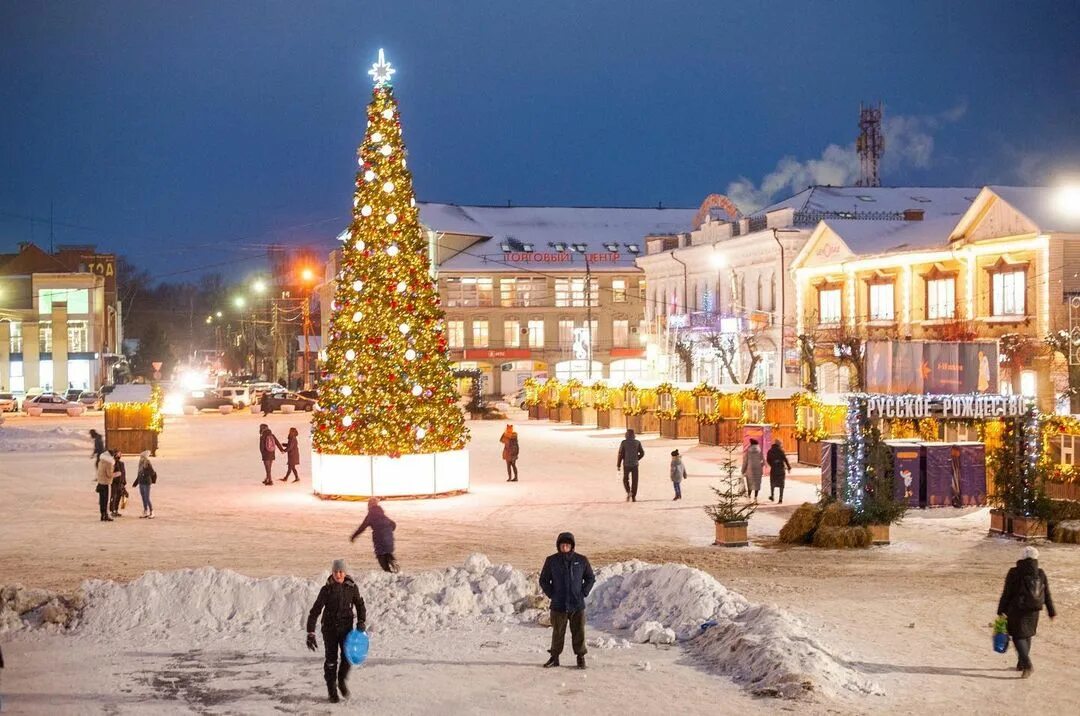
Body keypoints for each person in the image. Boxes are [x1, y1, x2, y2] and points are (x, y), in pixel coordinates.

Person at [307, 559, 366, 703]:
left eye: (341, 571)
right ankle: (331, 689)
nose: (338, 574)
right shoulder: (326, 590)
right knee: (331, 660)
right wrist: (310, 632)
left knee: (347, 658)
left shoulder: (352, 588)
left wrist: (361, 621)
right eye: (335, 572)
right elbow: (315, 612)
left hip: (346, 629)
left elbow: (360, 604)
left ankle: (341, 680)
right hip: (330, 630)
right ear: (332, 572)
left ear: (345, 573)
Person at [997, 545, 1056, 678]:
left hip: (1016, 609)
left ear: (1021, 557)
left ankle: (1027, 665)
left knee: (1018, 637)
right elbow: (1046, 593)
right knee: (1027, 635)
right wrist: (1051, 611)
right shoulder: (1041, 573)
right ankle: (1021, 663)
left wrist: (1001, 610)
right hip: (1034, 610)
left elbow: (1007, 593)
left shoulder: (1014, 572)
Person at [539, 532, 595, 669]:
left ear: (572, 546)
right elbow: (544, 580)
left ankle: (580, 658)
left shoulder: (581, 560)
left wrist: (583, 592)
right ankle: (554, 657)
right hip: (559, 605)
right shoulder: (551, 560)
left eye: (567, 545)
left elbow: (590, 578)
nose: (565, 547)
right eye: (562, 545)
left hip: (577, 604)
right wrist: (553, 594)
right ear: (558, 546)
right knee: (558, 633)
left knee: (579, 632)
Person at [350, 497, 399, 573]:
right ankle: (392, 560)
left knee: (380, 555)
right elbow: (393, 524)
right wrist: (388, 531)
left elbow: (362, 527)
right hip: (389, 537)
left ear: (370, 506)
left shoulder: (370, 515)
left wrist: (354, 536)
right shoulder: (383, 515)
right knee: (387, 552)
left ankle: (388, 572)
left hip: (379, 538)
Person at [617, 429, 645, 502]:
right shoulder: (637, 442)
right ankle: (633, 496)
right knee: (635, 480)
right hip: (635, 464)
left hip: (626, 464)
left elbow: (621, 454)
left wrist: (618, 464)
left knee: (625, 479)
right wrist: (637, 458)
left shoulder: (624, 443)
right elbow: (642, 453)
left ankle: (628, 491)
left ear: (626, 435)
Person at [132, 450, 157, 519]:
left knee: (147, 497)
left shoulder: (147, 462)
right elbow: (139, 474)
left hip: (146, 482)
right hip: (141, 482)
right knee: (143, 497)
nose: (141, 457)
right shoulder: (140, 462)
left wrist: (146, 474)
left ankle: (152, 511)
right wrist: (136, 482)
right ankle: (145, 511)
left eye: (142, 456)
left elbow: (152, 472)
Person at [766, 439, 791, 503]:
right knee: (781, 484)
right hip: (781, 469)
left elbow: (768, 460)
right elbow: (785, 459)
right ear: (779, 444)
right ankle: (780, 498)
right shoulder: (781, 451)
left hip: (774, 469)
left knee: (772, 482)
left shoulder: (770, 451)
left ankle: (772, 495)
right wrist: (789, 467)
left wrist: (772, 464)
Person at [94, 451, 114, 522]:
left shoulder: (100, 462)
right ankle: (106, 515)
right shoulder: (108, 463)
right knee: (106, 500)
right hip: (106, 483)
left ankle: (102, 515)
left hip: (100, 483)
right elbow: (109, 474)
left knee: (102, 500)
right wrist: (116, 474)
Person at [108, 449, 127, 518]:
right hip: (114, 482)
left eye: (120, 454)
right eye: (119, 454)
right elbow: (111, 473)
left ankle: (116, 509)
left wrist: (124, 481)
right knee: (114, 496)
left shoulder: (122, 463)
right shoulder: (113, 463)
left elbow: (123, 473)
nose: (120, 455)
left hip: (120, 482)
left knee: (119, 496)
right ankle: (112, 510)